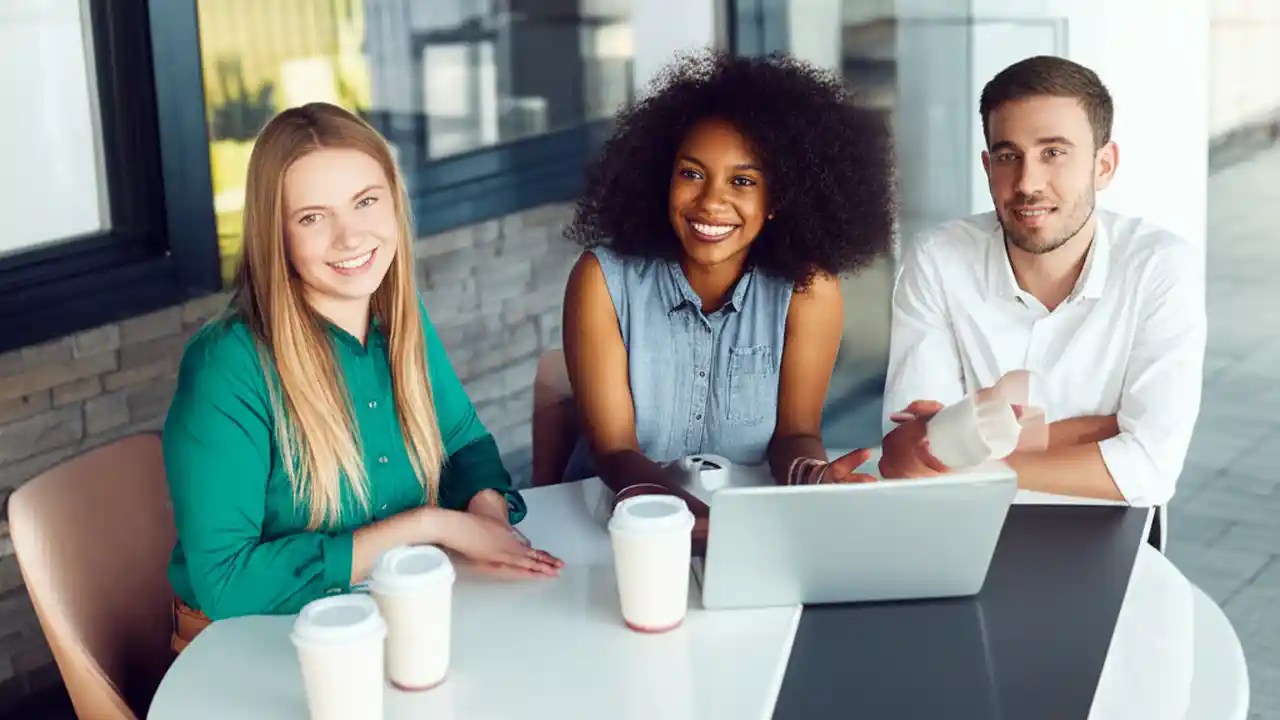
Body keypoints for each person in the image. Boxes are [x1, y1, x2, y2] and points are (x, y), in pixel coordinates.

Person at [163, 103, 562, 647]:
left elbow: (463, 442)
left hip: (385, 614)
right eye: (312, 217)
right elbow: (226, 583)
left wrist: (486, 518)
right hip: (253, 645)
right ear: (275, 234)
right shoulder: (227, 365)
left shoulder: (398, 313)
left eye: (366, 201)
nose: (350, 238)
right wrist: (434, 525)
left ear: (394, 202)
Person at [560, 50, 896, 526]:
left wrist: (813, 478)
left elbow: (795, 435)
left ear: (778, 198)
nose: (711, 202)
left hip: (743, 523)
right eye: (691, 173)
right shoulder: (602, 280)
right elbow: (615, 451)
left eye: (742, 181)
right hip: (621, 522)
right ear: (664, 176)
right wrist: (699, 521)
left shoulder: (808, 291)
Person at [881, 56, 1206, 508]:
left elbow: (1150, 469)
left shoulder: (1159, 267)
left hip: (1103, 532)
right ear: (987, 165)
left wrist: (975, 453)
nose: (1028, 182)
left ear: (1104, 165)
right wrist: (1102, 428)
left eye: (1053, 153)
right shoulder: (939, 259)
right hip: (965, 523)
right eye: (1008, 156)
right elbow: (913, 455)